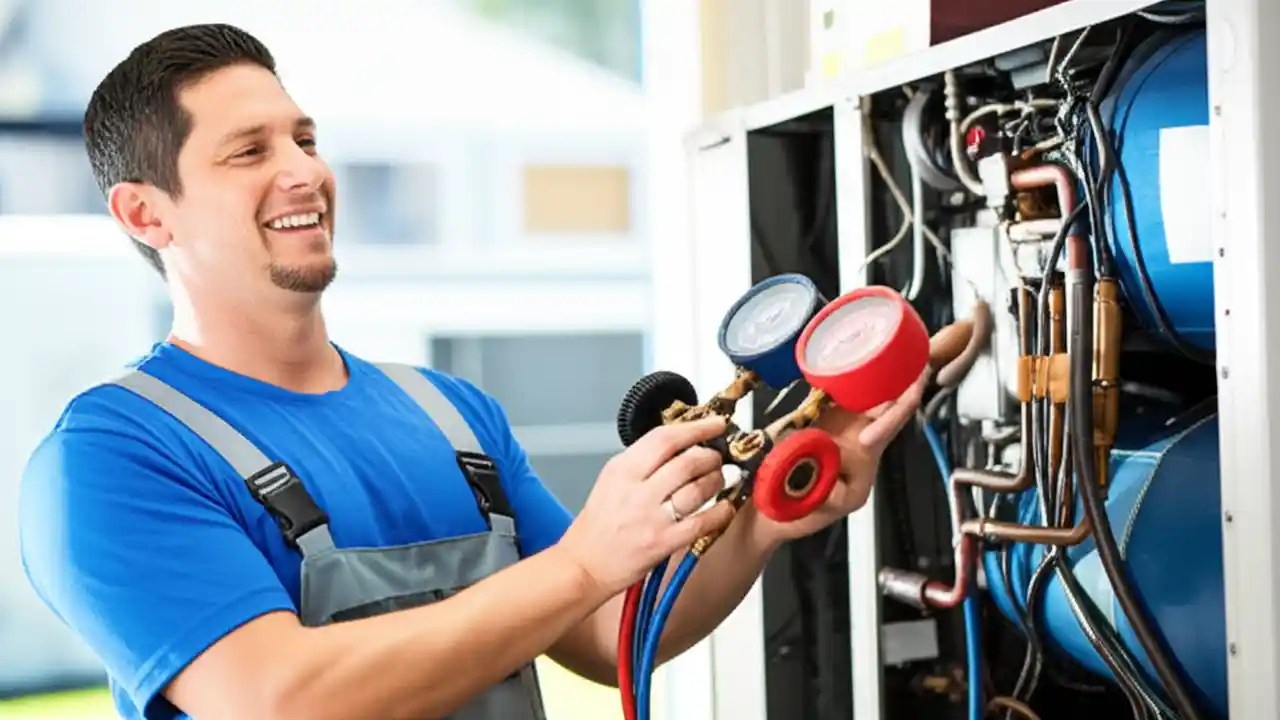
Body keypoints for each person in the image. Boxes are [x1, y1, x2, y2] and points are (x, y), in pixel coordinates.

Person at [17, 22, 925, 720]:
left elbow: (614, 632)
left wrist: (765, 514)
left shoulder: (448, 415)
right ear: (145, 214)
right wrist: (579, 564)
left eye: (305, 138)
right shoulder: (113, 457)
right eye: (250, 152)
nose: (304, 172)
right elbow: (279, 697)